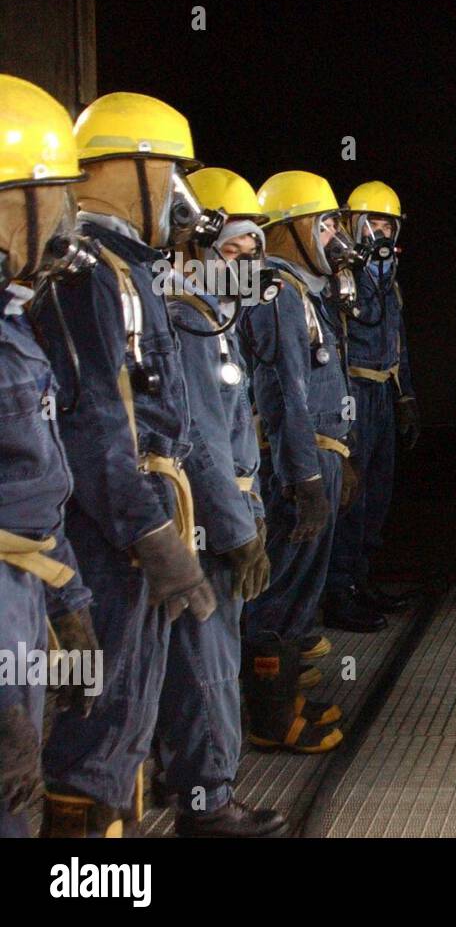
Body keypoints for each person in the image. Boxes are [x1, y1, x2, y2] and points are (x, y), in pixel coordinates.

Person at [36, 92, 218, 836]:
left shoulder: (126, 272)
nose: (180, 193)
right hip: (106, 537)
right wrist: (151, 534)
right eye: (171, 170)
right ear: (134, 171)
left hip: (130, 522)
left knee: (124, 713)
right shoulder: (88, 277)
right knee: (95, 727)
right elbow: (95, 428)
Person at [153, 166, 295, 834]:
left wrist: (254, 515)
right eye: (231, 252)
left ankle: (189, 780)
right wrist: (240, 532)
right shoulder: (187, 323)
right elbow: (204, 443)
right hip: (204, 525)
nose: (243, 266)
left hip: (221, 512)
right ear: (191, 248)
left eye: (252, 253)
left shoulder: (212, 317)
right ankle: (208, 802)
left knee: (202, 654)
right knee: (207, 659)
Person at [0, 74, 96, 838]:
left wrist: (67, 605)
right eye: (49, 203)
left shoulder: (14, 324)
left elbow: (32, 486)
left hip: (23, 583)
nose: (63, 229)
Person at [239, 170, 355, 750]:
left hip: (318, 458)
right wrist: (306, 478)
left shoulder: (301, 291)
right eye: (325, 222)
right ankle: (272, 723)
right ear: (290, 228)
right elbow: (283, 390)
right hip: (297, 468)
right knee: (277, 594)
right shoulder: (277, 293)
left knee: (296, 593)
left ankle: (284, 701)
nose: (336, 236)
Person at [323, 181, 417, 626]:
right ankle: (339, 592)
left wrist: (407, 397)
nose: (380, 234)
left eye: (387, 225)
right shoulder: (336, 284)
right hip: (353, 395)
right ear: (354, 227)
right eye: (372, 224)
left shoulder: (389, 286)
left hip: (382, 391)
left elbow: (399, 343)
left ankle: (362, 581)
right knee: (351, 497)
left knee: (376, 495)